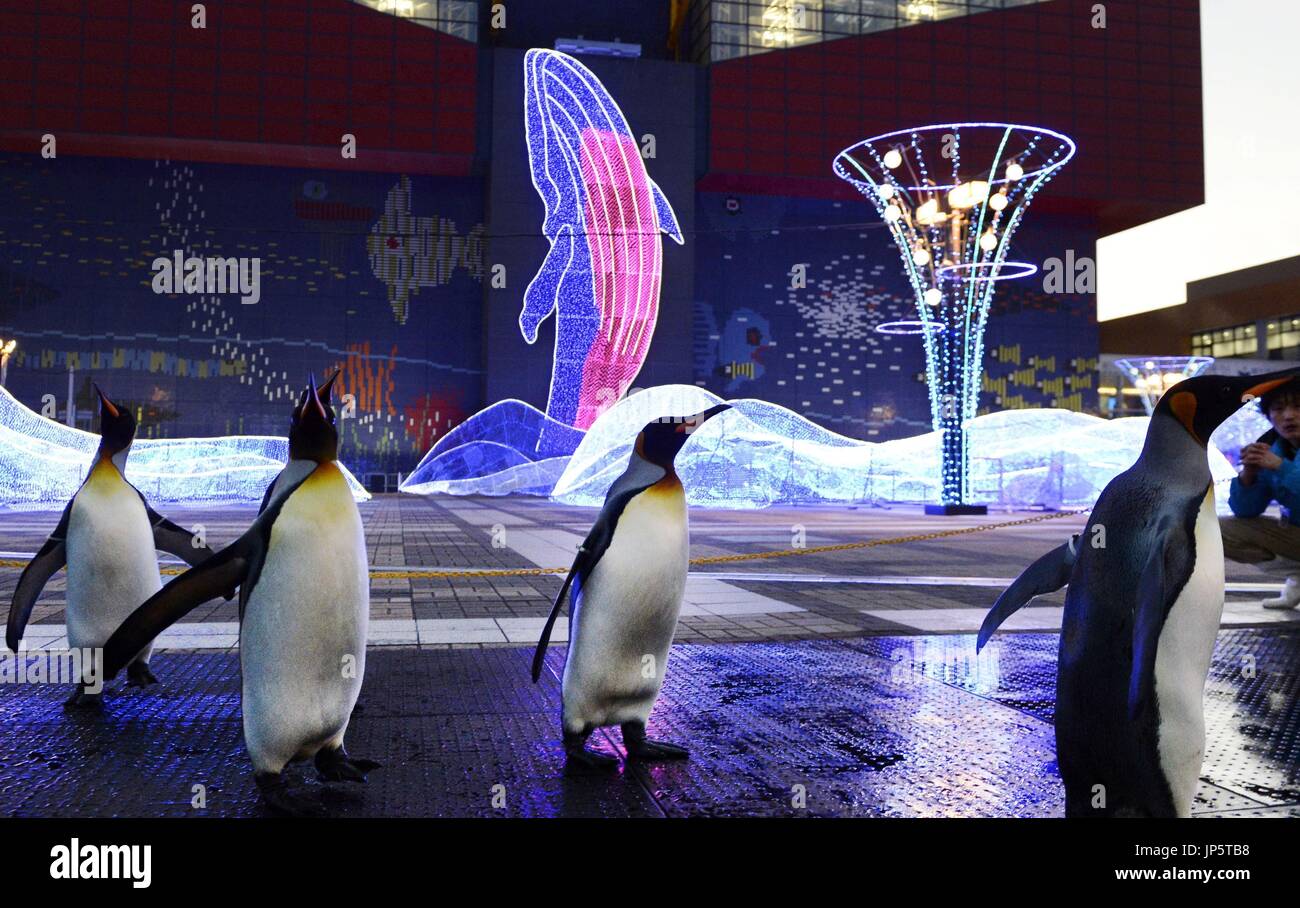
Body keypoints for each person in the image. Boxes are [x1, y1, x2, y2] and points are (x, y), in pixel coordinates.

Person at [1221, 383, 1300, 609]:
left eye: (1298, 406)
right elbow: (1246, 511)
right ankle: (1298, 575)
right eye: (1278, 408)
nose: (1288, 416)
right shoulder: (1272, 448)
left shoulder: (1275, 458)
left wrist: (1280, 467)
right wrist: (1249, 475)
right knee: (1219, 530)